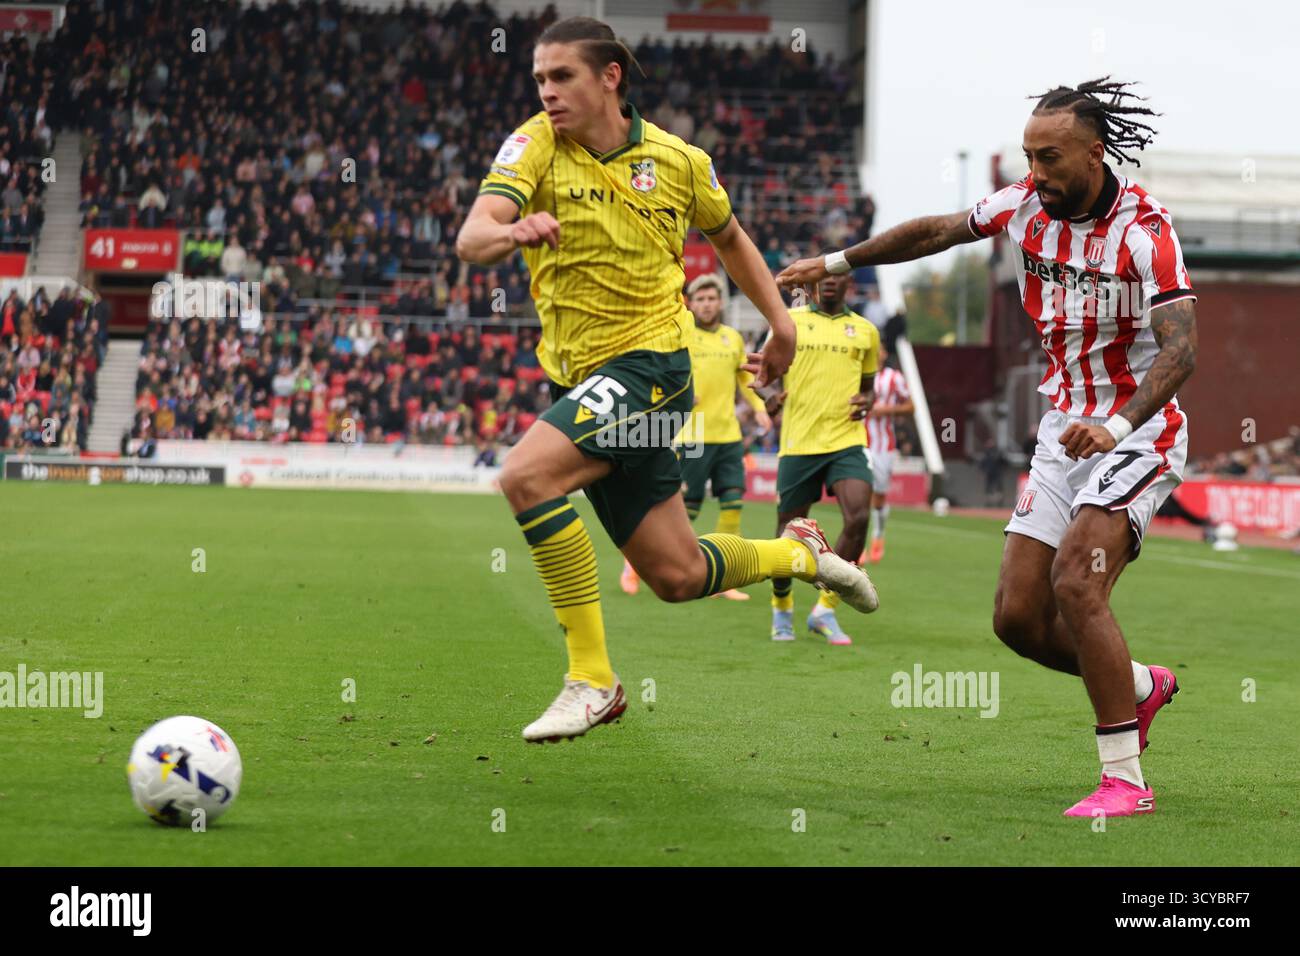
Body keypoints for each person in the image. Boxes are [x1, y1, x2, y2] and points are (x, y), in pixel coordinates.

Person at [777, 78, 1196, 818]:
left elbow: (1181, 350)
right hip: (1062, 433)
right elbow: (934, 232)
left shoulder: (1147, 232)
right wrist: (838, 263)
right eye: (1030, 156)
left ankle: (1124, 780)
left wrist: (1117, 425)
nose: (1036, 172)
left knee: (1077, 581)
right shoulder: (1024, 207)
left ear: (1096, 154)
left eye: (1052, 157)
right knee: (1016, 619)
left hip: (1138, 432)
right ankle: (1139, 686)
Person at [457, 17, 878, 743]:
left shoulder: (679, 161)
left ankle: (591, 679)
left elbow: (731, 238)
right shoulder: (534, 145)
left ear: (609, 77)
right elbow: (473, 235)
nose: (547, 92)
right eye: (539, 79)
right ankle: (797, 552)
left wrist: (780, 326)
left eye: (562, 77)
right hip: (585, 384)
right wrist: (511, 232)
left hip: (653, 366)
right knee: (677, 576)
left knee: (526, 477)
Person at [619, 272, 771, 600]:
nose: (705, 304)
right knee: (684, 511)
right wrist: (673, 395)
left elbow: (743, 380)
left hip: (728, 434)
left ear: (719, 303)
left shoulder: (733, 338)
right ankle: (635, 565)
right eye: (699, 299)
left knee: (733, 502)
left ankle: (725, 578)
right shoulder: (682, 334)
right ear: (691, 302)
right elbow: (659, 373)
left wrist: (759, 406)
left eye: (711, 299)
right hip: (692, 435)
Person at [760, 268, 879, 645]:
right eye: (823, 276)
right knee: (787, 533)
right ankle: (781, 608)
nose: (829, 281)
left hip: (846, 438)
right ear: (812, 285)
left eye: (838, 275)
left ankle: (825, 609)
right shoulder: (789, 323)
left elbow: (869, 388)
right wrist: (769, 398)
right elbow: (762, 375)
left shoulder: (865, 331)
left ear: (849, 284)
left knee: (859, 517)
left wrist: (868, 402)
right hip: (799, 441)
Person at [863, 343, 913, 562]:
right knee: (859, 493)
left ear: (884, 354)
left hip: (884, 445)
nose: (878, 353)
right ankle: (859, 545)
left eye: (881, 349)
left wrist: (887, 410)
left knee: (879, 495)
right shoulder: (856, 373)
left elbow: (911, 406)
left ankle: (878, 536)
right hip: (859, 442)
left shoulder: (894, 377)